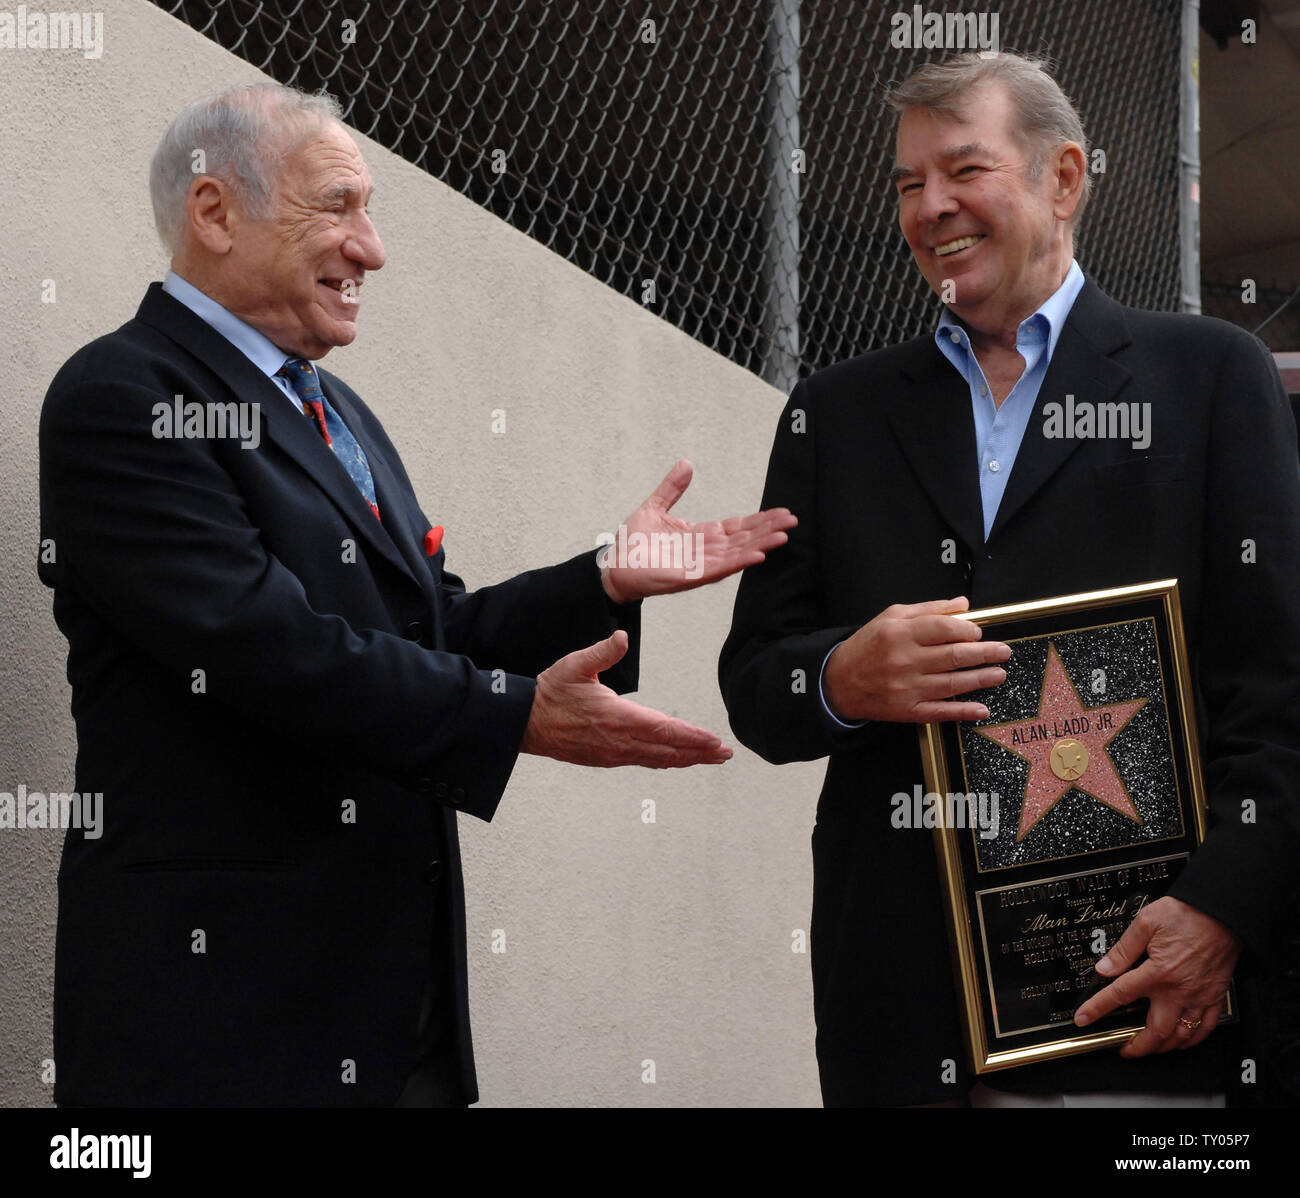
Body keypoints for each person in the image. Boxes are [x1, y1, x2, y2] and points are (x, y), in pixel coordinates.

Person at [38, 82, 795, 1107]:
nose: (373, 249)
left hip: (398, 1015)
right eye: (337, 207)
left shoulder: (338, 410)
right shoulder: (125, 398)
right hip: (223, 1025)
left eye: (372, 208)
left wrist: (602, 577)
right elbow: (268, 647)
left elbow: (433, 631)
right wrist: (518, 714)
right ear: (214, 213)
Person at [719, 51, 1300, 1108]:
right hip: (900, 1009)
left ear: (1063, 179)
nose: (931, 206)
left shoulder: (1211, 376)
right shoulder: (833, 414)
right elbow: (758, 683)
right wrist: (840, 680)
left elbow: (1280, 689)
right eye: (907, 183)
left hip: (1148, 1002)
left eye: (963, 169)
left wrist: (1221, 911)